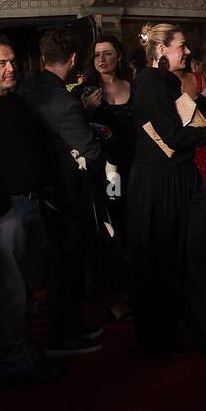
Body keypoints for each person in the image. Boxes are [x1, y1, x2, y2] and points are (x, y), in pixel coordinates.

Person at [127, 22, 206, 360]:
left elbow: (192, 122)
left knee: (196, 258)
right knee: (165, 263)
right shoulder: (147, 85)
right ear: (160, 51)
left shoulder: (167, 82)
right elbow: (174, 137)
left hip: (181, 180)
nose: (186, 51)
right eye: (180, 45)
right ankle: (169, 342)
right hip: (160, 186)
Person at [18, 26, 106, 358]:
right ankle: (62, 335)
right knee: (67, 266)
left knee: (57, 265)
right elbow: (92, 152)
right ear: (72, 59)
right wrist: (87, 125)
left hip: (41, 191)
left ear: (43, 57)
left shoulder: (29, 86)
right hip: (65, 195)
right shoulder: (64, 102)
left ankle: (71, 326)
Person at [0, 35, 58, 385]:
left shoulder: (15, 103)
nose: (11, 68)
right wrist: (3, 209)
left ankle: (24, 355)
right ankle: (14, 364)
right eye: (2, 63)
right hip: (6, 212)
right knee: (11, 290)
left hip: (29, 203)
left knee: (27, 289)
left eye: (12, 61)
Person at [80, 35, 135, 322]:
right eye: (97, 54)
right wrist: (86, 110)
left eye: (108, 53)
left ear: (119, 57)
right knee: (110, 231)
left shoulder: (133, 88)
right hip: (103, 174)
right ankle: (115, 298)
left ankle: (135, 290)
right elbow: (75, 134)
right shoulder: (85, 91)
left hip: (133, 169)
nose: (101, 59)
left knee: (131, 229)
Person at [173, 49, 206, 203]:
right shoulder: (162, 83)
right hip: (177, 147)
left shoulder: (197, 78)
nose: (186, 53)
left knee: (203, 194)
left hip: (200, 144)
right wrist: (205, 94)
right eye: (180, 48)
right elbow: (177, 118)